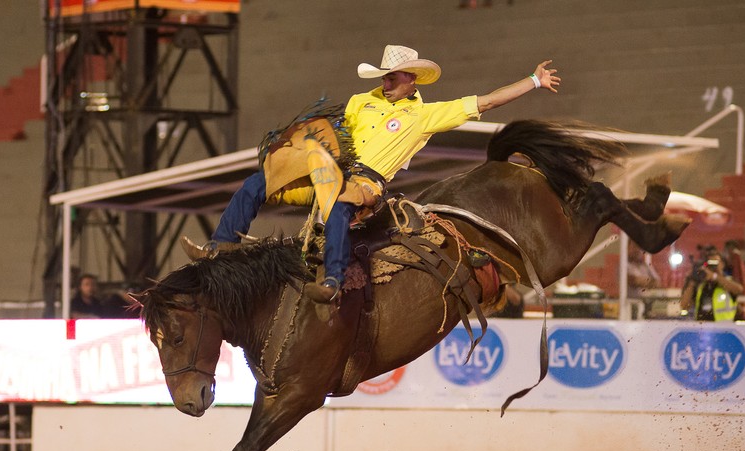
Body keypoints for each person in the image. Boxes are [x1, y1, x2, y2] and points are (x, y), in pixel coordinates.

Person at [189, 45, 560, 302]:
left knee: (337, 203)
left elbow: (488, 100)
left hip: (366, 185)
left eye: (391, 77)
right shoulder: (359, 102)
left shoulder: (426, 115)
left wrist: (533, 79)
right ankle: (221, 245)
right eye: (383, 77)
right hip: (328, 172)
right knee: (257, 183)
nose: (384, 83)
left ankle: (332, 279)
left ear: (411, 78)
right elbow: (334, 137)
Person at [679, 246, 743, 322]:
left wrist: (715, 277)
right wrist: (693, 281)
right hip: (702, 327)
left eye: (715, 263)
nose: (713, 267)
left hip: (724, 328)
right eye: (710, 264)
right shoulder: (700, 285)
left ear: (722, 264)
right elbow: (684, 306)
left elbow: (739, 289)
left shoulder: (728, 281)